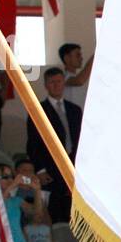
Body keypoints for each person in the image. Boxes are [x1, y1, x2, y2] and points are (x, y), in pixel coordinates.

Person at [24, 66, 82, 223]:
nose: (56, 85)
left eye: (59, 81)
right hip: (51, 168)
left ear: (64, 82)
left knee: (75, 213)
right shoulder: (39, 111)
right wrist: (41, 170)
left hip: (74, 167)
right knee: (56, 211)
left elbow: (80, 141)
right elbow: (33, 143)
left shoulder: (75, 110)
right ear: (46, 86)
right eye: (52, 82)